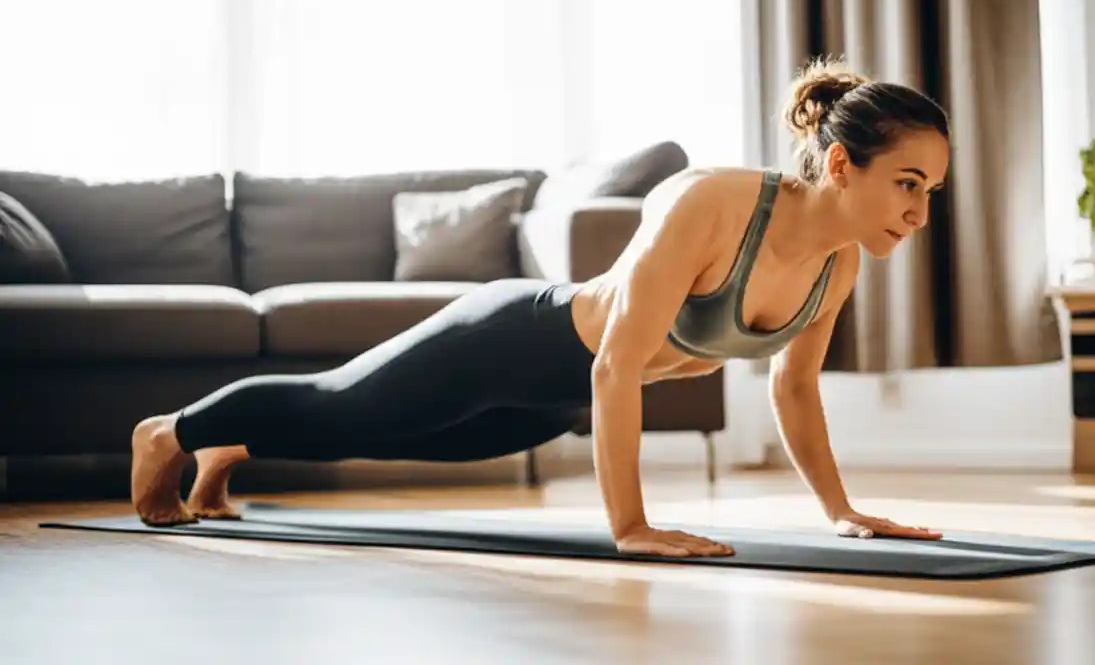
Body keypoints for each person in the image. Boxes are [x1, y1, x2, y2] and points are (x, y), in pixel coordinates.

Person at [130, 55, 951, 558]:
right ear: (841, 164)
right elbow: (619, 363)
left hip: (551, 402)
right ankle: (170, 433)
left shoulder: (838, 263)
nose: (918, 213)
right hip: (507, 340)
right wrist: (631, 526)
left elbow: (793, 389)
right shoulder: (711, 202)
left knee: (403, 439)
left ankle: (228, 448)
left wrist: (840, 514)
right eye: (906, 185)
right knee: (346, 409)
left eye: (931, 192)